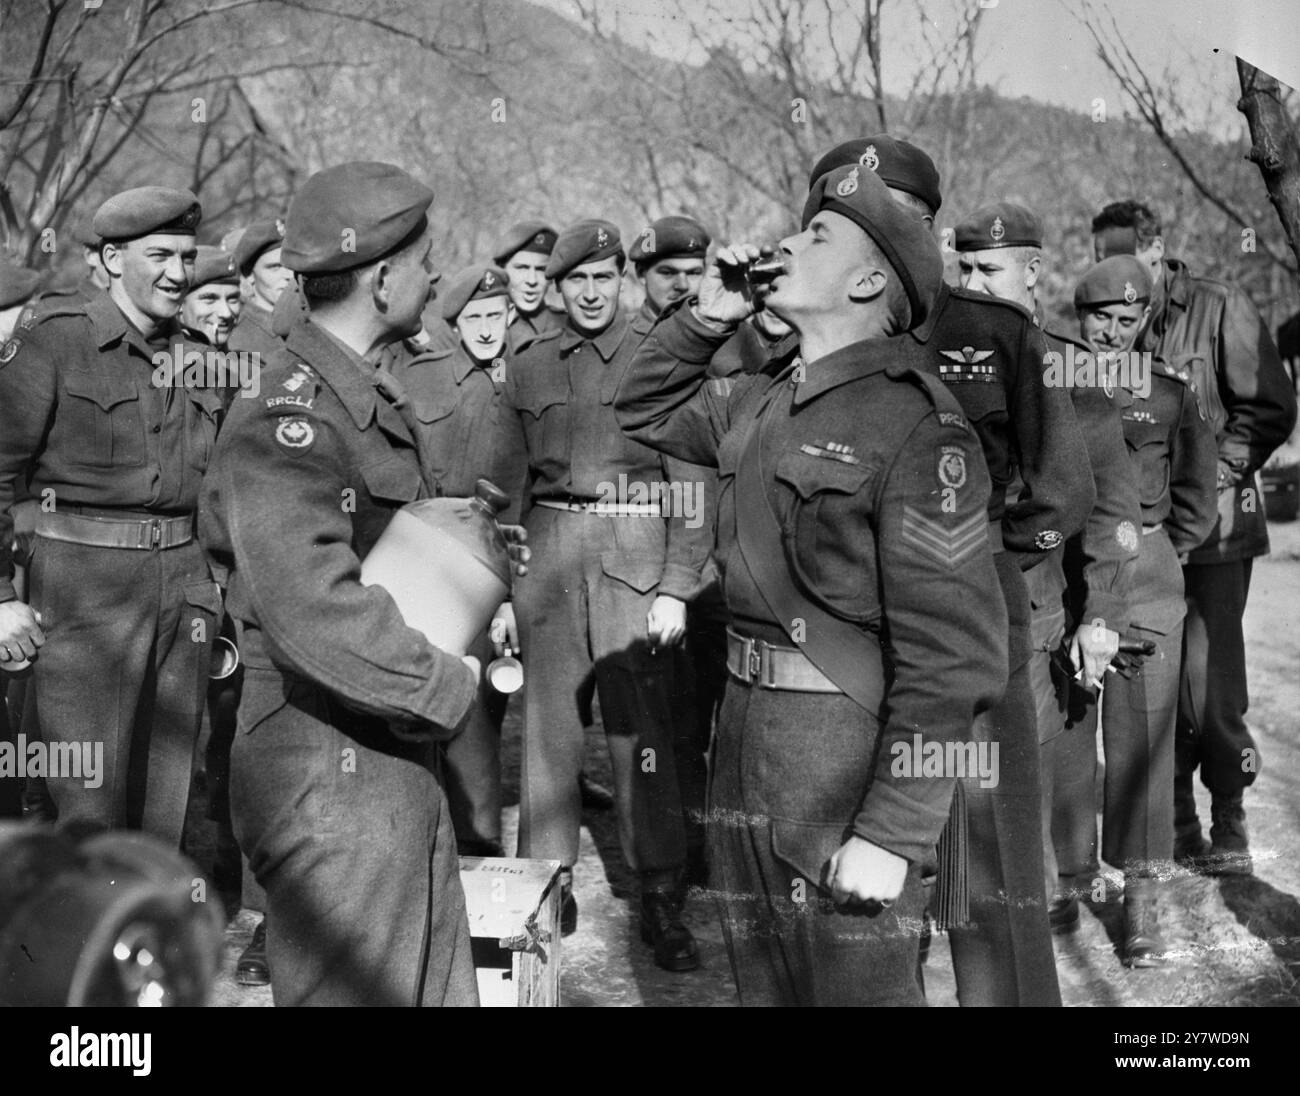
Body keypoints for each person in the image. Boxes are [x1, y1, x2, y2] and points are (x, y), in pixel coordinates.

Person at [616, 162, 1008, 1005]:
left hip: (844, 756)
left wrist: (893, 832)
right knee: (761, 989)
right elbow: (640, 408)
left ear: (870, 280)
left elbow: (955, 658)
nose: (786, 242)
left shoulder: (920, 428)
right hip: (745, 740)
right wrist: (709, 314)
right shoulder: (759, 394)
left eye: (817, 235)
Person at [201, 161, 529, 1006]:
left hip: (381, 755)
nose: (435, 275)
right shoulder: (289, 419)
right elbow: (316, 612)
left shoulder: (361, 397)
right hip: (325, 765)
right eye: (426, 260)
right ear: (383, 279)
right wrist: (450, 686)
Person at [806, 136, 1093, 1007]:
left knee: (991, 865)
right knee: (857, 857)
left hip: (973, 626)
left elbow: (1061, 487)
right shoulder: (810, 334)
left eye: (897, 216)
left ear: (929, 225)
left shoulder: (994, 331)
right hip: (849, 633)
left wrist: (986, 565)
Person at [499, 218, 705, 971]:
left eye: (603, 277)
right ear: (558, 287)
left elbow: (692, 485)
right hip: (549, 556)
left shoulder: (659, 359)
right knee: (547, 741)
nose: (590, 292)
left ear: (623, 279)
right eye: (575, 280)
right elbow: (505, 484)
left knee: (641, 738)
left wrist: (678, 587)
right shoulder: (528, 363)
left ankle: (659, 895)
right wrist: (500, 589)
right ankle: (543, 895)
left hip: (633, 556)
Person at [0, 186, 223, 847]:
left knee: (170, 797)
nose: (178, 274)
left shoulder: (202, 356)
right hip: (82, 590)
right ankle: (73, 943)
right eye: (159, 255)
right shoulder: (54, 343)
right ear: (113, 257)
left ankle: (150, 940)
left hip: (184, 587)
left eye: (186, 256)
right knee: (85, 800)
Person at [1092, 200, 1297, 876]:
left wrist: (1210, 476)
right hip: (1144, 540)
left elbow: (1268, 406)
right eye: (1103, 263)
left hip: (1216, 533)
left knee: (1212, 684)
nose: (1118, 276)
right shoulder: (1109, 328)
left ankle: (1229, 814)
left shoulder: (1218, 304)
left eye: (1129, 260)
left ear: (1159, 253)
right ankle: (1174, 818)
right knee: (1155, 677)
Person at [953, 201, 1141, 933]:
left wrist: (1100, 616)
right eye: (963, 267)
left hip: (1034, 599)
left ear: (1032, 271)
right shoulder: (941, 361)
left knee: (1025, 765)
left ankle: (1030, 912)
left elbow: (1109, 510)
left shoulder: (1066, 366)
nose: (971, 281)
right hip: (948, 594)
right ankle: (991, 909)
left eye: (987, 269)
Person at [1065, 255, 1217, 965]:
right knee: (1062, 743)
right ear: (1079, 314)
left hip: (1147, 580)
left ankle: (1142, 904)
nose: (1114, 332)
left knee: (1142, 748)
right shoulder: (1048, 384)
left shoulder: (1168, 394)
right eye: (1102, 317)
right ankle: (1058, 884)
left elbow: (1196, 497)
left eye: (1129, 319)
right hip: (1061, 575)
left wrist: (1156, 554)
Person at [383, 264, 527, 859]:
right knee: (412, 706)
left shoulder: (531, 376)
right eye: (475, 317)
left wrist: (510, 599)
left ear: (511, 316)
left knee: (478, 720)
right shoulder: (420, 377)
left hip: (496, 571)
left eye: (497, 316)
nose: (488, 328)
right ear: (455, 322)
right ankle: (412, 848)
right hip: (429, 563)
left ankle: (476, 851)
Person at [628, 215, 715, 883]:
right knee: (671, 724)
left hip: (727, 569)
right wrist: (672, 583)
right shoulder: (635, 352)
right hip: (658, 567)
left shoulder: (728, 340)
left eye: (694, 273)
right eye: (668, 275)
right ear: (641, 279)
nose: (684, 286)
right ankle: (679, 861)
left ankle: (717, 844)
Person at [492, 221, 563, 354]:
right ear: (501, 271)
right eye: (522, 268)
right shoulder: (474, 325)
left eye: (541, 269)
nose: (532, 280)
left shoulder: (566, 326)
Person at [228, 217, 293, 361]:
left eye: (292, 266)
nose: (289, 276)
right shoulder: (237, 340)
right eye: (275, 267)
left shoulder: (308, 324)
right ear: (249, 275)